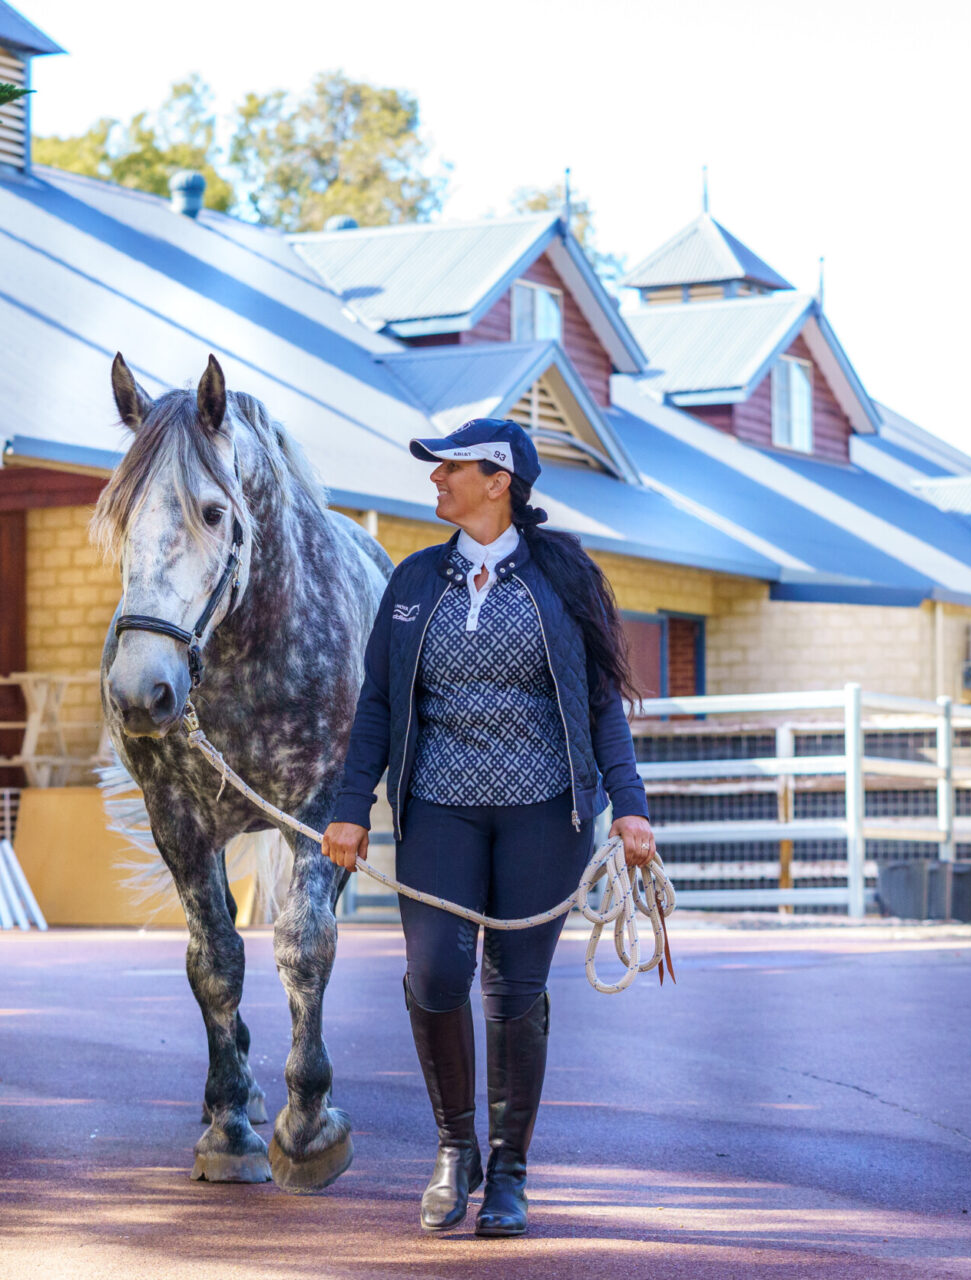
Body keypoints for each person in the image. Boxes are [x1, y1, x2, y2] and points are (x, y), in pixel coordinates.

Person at [322, 418, 655, 1237]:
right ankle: (453, 1149)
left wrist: (632, 805)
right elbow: (376, 706)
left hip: (546, 813)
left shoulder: (562, 577)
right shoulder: (410, 584)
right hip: (438, 808)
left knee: (514, 990)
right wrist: (348, 805)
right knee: (435, 976)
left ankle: (508, 1173)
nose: (436, 480)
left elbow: (601, 709)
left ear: (499, 479)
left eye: (450, 469)